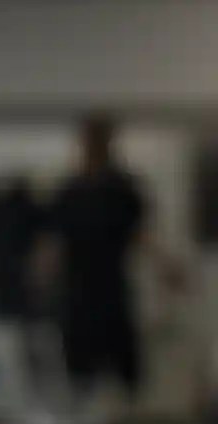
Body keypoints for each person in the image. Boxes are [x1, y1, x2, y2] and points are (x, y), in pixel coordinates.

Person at [41, 114, 181, 408]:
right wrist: (42, 272)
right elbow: (55, 240)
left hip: (112, 287)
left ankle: (131, 421)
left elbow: (141, 235)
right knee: (79, 368)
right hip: (78, 290)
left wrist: (165, 266)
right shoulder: (71, 189)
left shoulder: (122, 188)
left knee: (125, 365)